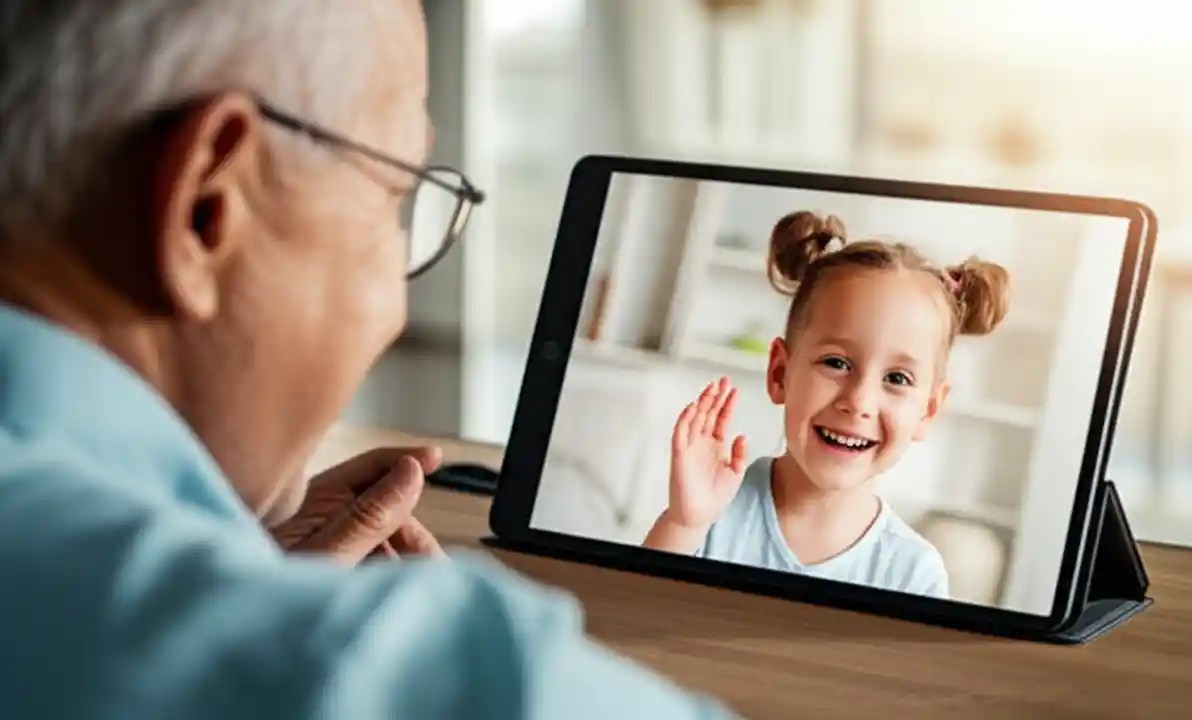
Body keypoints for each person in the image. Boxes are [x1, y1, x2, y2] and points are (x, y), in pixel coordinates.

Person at [0, 2, 732, 718]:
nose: (397, 309)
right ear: (206, 208)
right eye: (397, 197)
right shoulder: (367, 669)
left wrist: (231, 569)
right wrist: (275, 621)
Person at [643, 210, 1012, 600]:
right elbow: (626, 627)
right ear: (780, 373)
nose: (859, 402)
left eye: (897, 379)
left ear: (929, 410)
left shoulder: (912, 574)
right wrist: (683, 523)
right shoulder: (709, 511)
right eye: (836, 363)